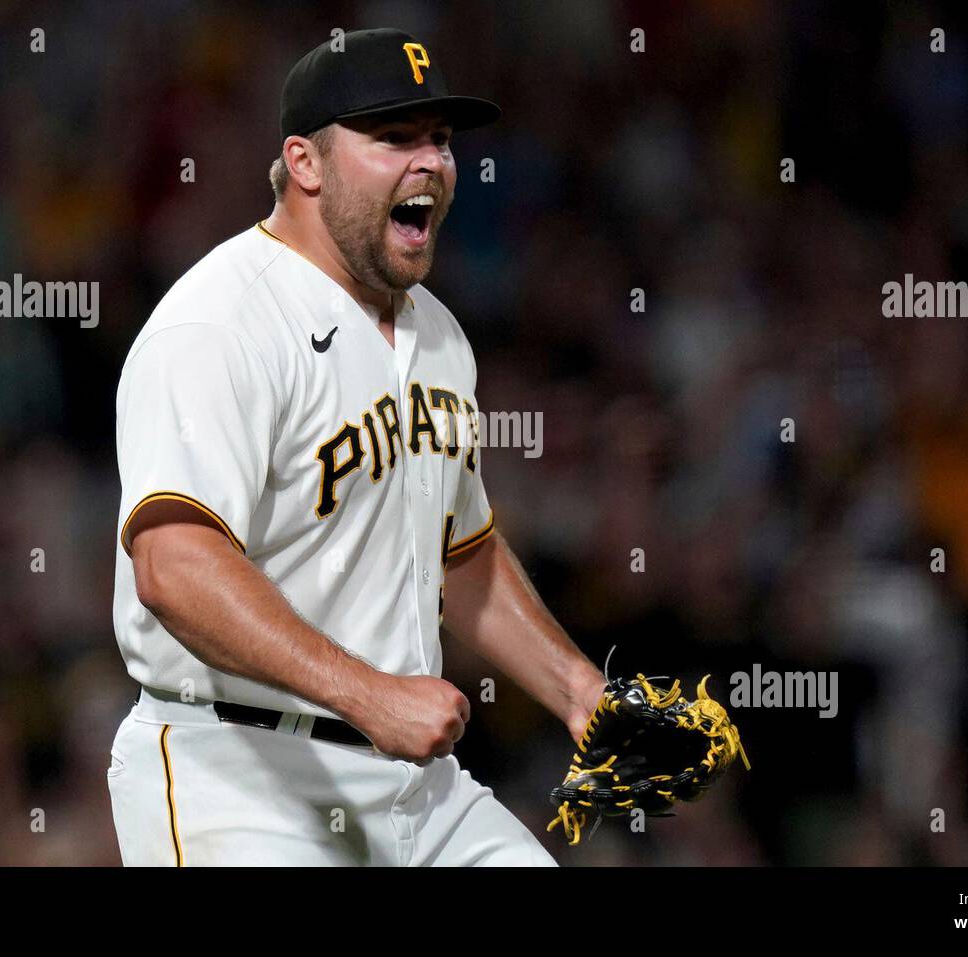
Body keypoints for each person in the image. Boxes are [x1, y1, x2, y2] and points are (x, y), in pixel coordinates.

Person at [106, 26, 605, 866]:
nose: (431, 162)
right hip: (238, 772)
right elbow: (174, 567)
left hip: (414, 776)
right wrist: (369, 694)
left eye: (440, 139)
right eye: (393, 137)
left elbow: (461, 553)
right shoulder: (220, 323)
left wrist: (580, 691)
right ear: (306, 163)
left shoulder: (440, 336)